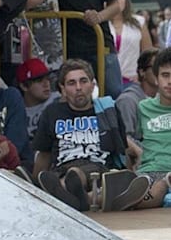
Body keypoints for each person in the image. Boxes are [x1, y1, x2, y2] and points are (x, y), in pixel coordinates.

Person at [33, 58, 132, 212]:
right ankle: (78, 200)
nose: (78, 87)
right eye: (71, 83)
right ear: (63, 89)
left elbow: (122, 150)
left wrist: (129, 176)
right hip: (62, 168)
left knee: (74, 175)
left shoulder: (108, 110)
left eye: (83, 81)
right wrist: (34, 184)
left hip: (98, 169)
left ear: (92, 85)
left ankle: (64, 194)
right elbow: (44, 154)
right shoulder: (52, 113)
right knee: (57, 177)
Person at [123, 47, 171, 209]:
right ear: (156, 78)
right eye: (165, 75)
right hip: (146, 171)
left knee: (159, 186)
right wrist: (137, 152)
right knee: (128, 184)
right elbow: (126, 138)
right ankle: (91, 199)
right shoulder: (143, 107)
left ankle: (132, 203)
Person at [112, 0, 153, 84]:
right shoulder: (100, 25)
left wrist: (141, 75)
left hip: (133, 80)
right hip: (107, 80)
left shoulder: (139, 22)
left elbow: (148, 53)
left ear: (126, 1)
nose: (116, 2)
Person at [116, 50, 159, 141]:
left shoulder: (164, 100)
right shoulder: (127, 101)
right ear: (142, 72)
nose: (160, 72)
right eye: (155, 67)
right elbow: (126, 140)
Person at [18, 58, 59, 139]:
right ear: (24, 86)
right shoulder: (16, 109)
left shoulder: (58, 100)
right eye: (39, 81)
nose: (46, 84)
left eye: (48, 79)